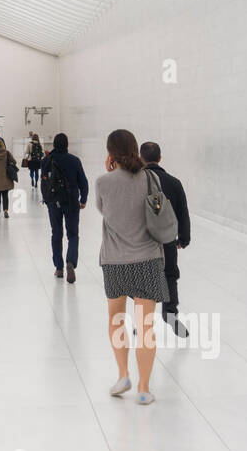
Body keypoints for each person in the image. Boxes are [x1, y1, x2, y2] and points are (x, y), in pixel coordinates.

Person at [96, 129, 167, 405]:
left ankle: (123, 373)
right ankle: (144, 388)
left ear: (110, 153)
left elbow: (104, 211)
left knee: (116, 320)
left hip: (114, 260)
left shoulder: (103, 182)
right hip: (147, 260)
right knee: (145, 326)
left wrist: (110, 171)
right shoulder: (151, 177)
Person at [141, 141, 191, 336]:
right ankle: (170, 312)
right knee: (170, 274)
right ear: (160, 158)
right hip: (168, 238)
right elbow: (182, 212)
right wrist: (183, 238)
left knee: (144, 277)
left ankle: (143, 320)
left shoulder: (137, 182)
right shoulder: (173, 182)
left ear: (140, 158)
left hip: (143, 240)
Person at [41, 133, 89, 282]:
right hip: (71, 202)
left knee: (56, 234)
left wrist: (47, 199)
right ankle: (70, 262)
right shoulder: (74, 160)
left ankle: (59, 268)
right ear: (67, 145)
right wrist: (83, 199)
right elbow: (83, 182)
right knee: (73, 234)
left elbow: (43, 182)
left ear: (54, 145)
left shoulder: (46, 161)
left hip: (53, 203)